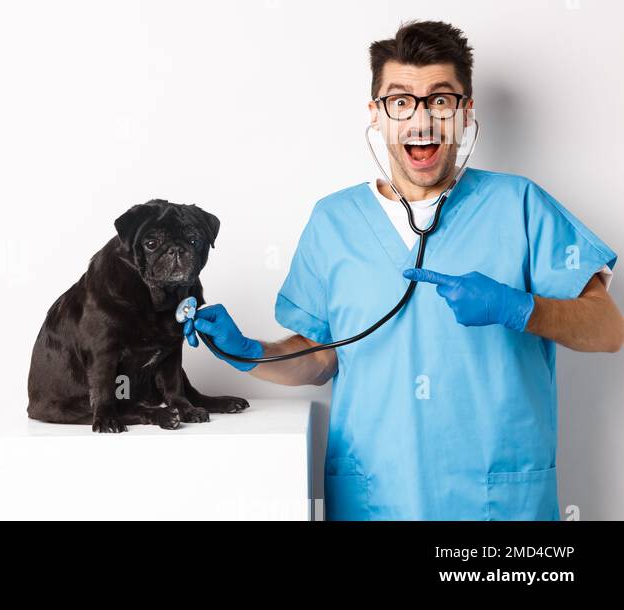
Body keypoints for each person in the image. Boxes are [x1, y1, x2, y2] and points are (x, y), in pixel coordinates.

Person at [190, 21, 622, 520]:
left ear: (466, 113)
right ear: (377, 115)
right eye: (401, 101)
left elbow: (608, 330)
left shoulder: (520, 205)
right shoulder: (334, 222)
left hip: (498, 507)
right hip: (377, 500)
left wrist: (518, 307)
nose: (422, 119)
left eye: (441, 100)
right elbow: (321, 359)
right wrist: (251, 354)